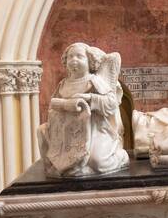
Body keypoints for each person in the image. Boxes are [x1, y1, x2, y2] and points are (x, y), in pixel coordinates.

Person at [38, 42, 130, 178]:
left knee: (98, 162)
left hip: (95, 129)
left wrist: (89, 98)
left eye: (79, 56)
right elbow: (54, 105)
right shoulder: (63, 84)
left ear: (90, 61)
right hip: (66, 133)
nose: (74, 60)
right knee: (42, 133)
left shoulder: (94, 81)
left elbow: (111, 103)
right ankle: (68, 166)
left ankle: (121, 156)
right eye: (70, 57)